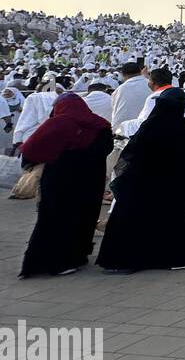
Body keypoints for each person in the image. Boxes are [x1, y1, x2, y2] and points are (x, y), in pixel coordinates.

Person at [96, 88, 185, 273]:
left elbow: (132, 154)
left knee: (138, 220)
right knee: (173, 221)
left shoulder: (151, 125)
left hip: (144, 183)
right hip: (174, 184)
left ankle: (129, 261)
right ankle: (176, 258)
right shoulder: (184, 126)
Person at [17, 93, 114, 278]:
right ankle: (75, 256)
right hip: (89, 180)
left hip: (58, 181)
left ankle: (49, 263)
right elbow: (107, 148)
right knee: (83, 217)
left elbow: (30, 150)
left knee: (54, 219)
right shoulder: (99, 124)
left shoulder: (56, 124)